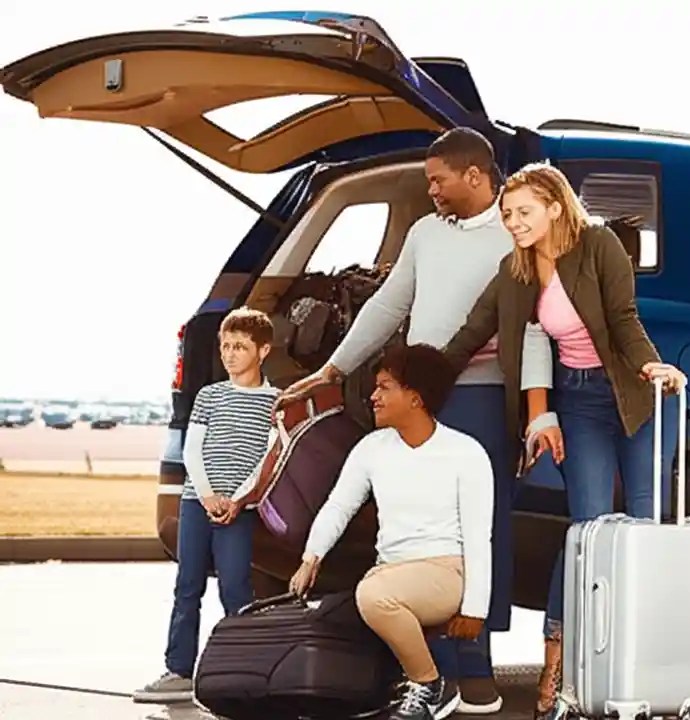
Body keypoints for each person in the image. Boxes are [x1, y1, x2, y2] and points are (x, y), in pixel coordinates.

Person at [275, 128, 554, 714]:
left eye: (438, 180)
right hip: (423, 395)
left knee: (478, 524)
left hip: (482, 394)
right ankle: (426, 669)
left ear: (475, 175)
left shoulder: (515, 233)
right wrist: (334, 368)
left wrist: (535, 411)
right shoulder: (425, 234)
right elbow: (389, 304)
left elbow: (534, 328)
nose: (431, 191)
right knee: (409, 521)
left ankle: (473, 666)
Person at [439, 162, 687, 719]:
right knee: (587, 531)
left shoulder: (600, 246)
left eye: (523, 212)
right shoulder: (518, 269)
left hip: (631, 393)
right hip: (578, 403)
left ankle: (640, 665)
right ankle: (559, 659)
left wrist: (652, 367)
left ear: (555, 206)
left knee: (644, 527)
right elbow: (475, 329)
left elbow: (624, 321)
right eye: (507, 215)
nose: (514, 222)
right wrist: (421, 379)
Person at [289, 343, 493, 720]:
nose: (373, 396)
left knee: (373, 595)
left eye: (384, 387)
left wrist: (476, 609)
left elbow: (480, 537)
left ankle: (430, 684)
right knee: (364, 597)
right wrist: (311, 556)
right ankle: (399, 685)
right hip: (391, 573)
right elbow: (339, 506)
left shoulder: (466, 453)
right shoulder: (371, 448)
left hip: (447, 573)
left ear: (415, 398)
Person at [133, 307, 279, 703]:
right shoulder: (210, 396)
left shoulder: (276, 402)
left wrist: (239, 499)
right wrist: (207, 494)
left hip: (239, 510)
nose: (230, 354)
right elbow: (193, 449)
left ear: (263, 351)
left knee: (235, 588)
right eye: (226, 346)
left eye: (240, 346)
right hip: (198, 504)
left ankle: (243, 670)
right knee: (187, 585)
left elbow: (268, 457)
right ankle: (179, 670)